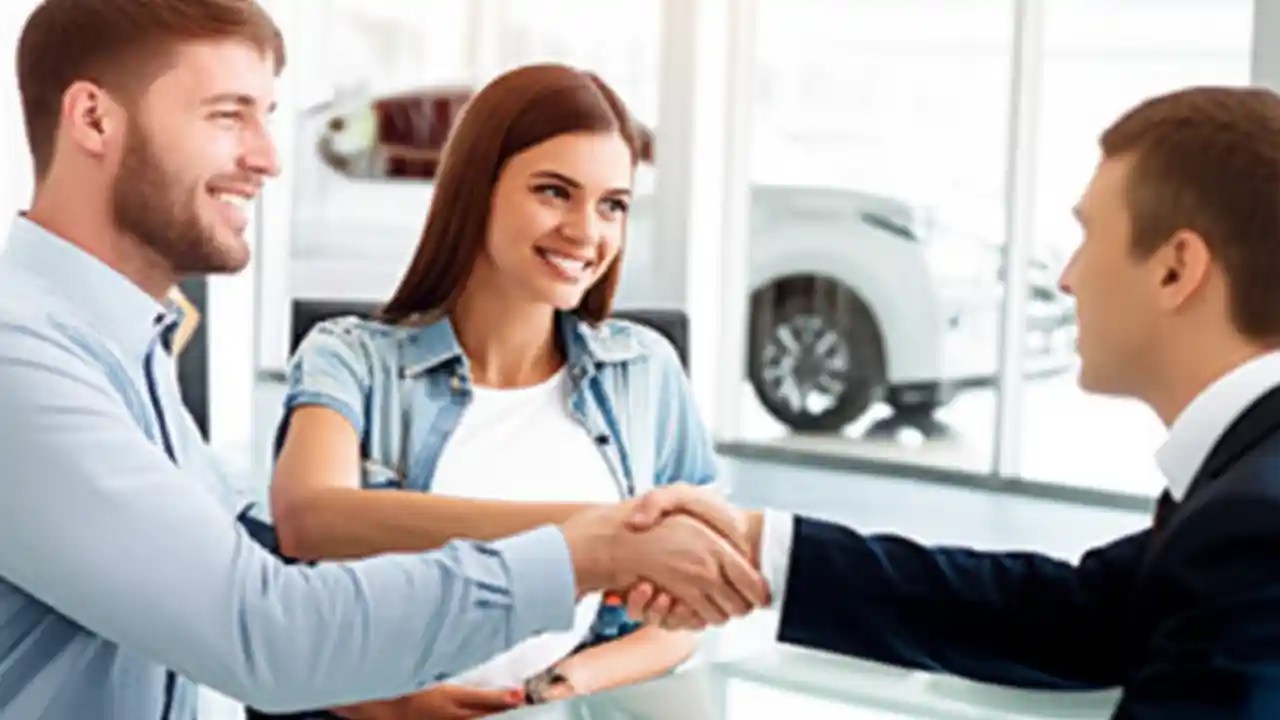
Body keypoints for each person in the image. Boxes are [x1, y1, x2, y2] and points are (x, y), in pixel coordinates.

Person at [0, 1, 768, 717]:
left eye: (267, 118)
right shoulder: (20, 357)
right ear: (93, 118)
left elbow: (227, 562)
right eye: (229, 115)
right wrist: (589, 546)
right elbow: (262, 624)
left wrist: (389, 698)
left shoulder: (125, 347)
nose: (269, 158)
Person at [628, 85, 1280, 718]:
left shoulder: (1252, 525)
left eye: (1088, 236)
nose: (1067, 277)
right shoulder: (1246, 488)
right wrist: (758, 548)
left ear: (1175, 268)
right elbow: (1076, 616)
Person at [265, 64, 713, 718]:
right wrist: (593, 537)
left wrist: (556, 689)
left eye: (612, 204)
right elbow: (310, 519)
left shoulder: (644, 370)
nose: (587, 233)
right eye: (555, 192)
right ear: (478, 189)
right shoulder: (351, 358)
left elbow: (691, 603)